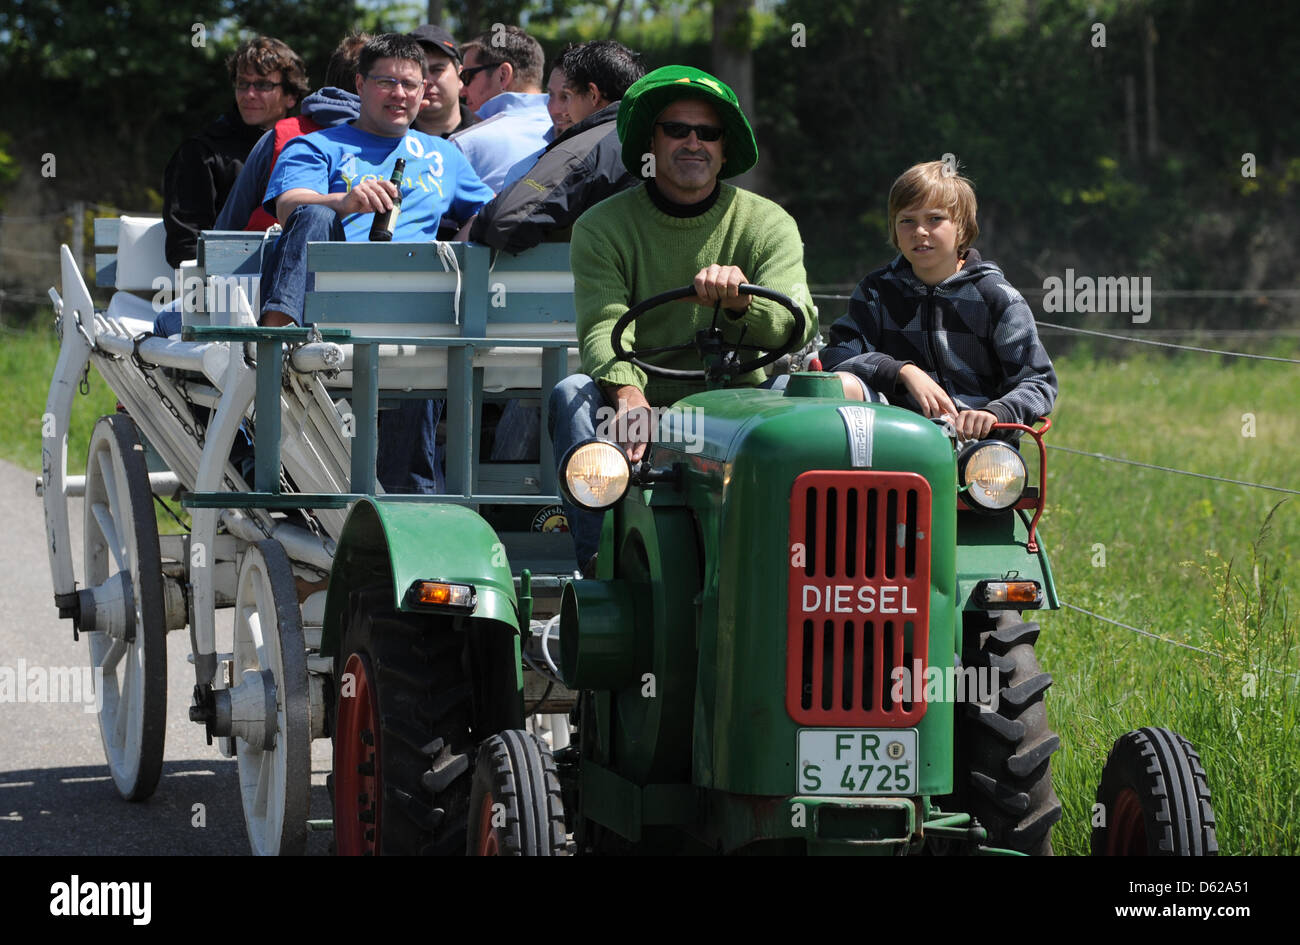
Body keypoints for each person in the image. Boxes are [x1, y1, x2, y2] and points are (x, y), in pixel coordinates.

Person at [548, 65, 818, 570]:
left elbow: (795, 325)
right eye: (677, 129)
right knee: (573, 396)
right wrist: (629, 398)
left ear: (724, 146)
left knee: (806, 407)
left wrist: (739, 303)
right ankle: (599, 570)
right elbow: (602, 327)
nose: (694, 142)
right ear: (650, 141)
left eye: (709, 133)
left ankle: (789, 570)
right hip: (647, 407)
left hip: (748, 410)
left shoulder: (768, 223)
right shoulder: (602, 227)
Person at [258, 33, 495, 494]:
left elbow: (491, 215)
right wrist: (345, 202)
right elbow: (289, 206)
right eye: (386, 81)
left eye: (411, 84)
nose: (400, 94)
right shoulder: (317, 145)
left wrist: (464, 239)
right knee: (316, 212)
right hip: (322, 311)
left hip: (413, 320)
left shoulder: (445, 155)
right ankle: (275, 343)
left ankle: (409, 523)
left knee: (422, 355)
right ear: (360, 85)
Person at [819, 160, 1057, 440]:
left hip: (978, 447)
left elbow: (1037, 382)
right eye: (907, 220)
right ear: (894, 230)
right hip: (892, 435)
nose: (920, 231)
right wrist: (902, 371)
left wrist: (995, 413)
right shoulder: (876, 291)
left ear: (963, 228)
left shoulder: (996, 297)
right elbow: (837, 356)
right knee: (842, 384)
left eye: (934, 219)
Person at [468, 40, 645, 254]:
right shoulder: (663, 139)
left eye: (567, 96)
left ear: (593, 94)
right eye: (551, 96)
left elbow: (500, 225)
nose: (558, 109)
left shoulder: (580, 149)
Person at [162, 36, 308, 267]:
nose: (249, 94)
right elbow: (186, 248)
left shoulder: (310, 148)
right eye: (242, 83)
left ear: (291, 96)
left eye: (262, 85)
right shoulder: (200, 152)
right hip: (223, 287)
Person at [214, 33, 369, 234]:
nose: (250, 94)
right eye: (389, 82)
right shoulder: (409, 145)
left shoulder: (277, 138)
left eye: (262, 85)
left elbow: (225, 230)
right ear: (363, 84)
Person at [450, 26, 552, 192]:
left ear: (503, 75)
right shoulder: (579, 134)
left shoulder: (465, 145)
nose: (462, 90)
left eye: (466, 77)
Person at [409, 24, 479, 138]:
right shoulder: (386, 138)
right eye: (419, 71)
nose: (428, 80)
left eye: (437, 70)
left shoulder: (486, 134)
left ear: (460, 76)